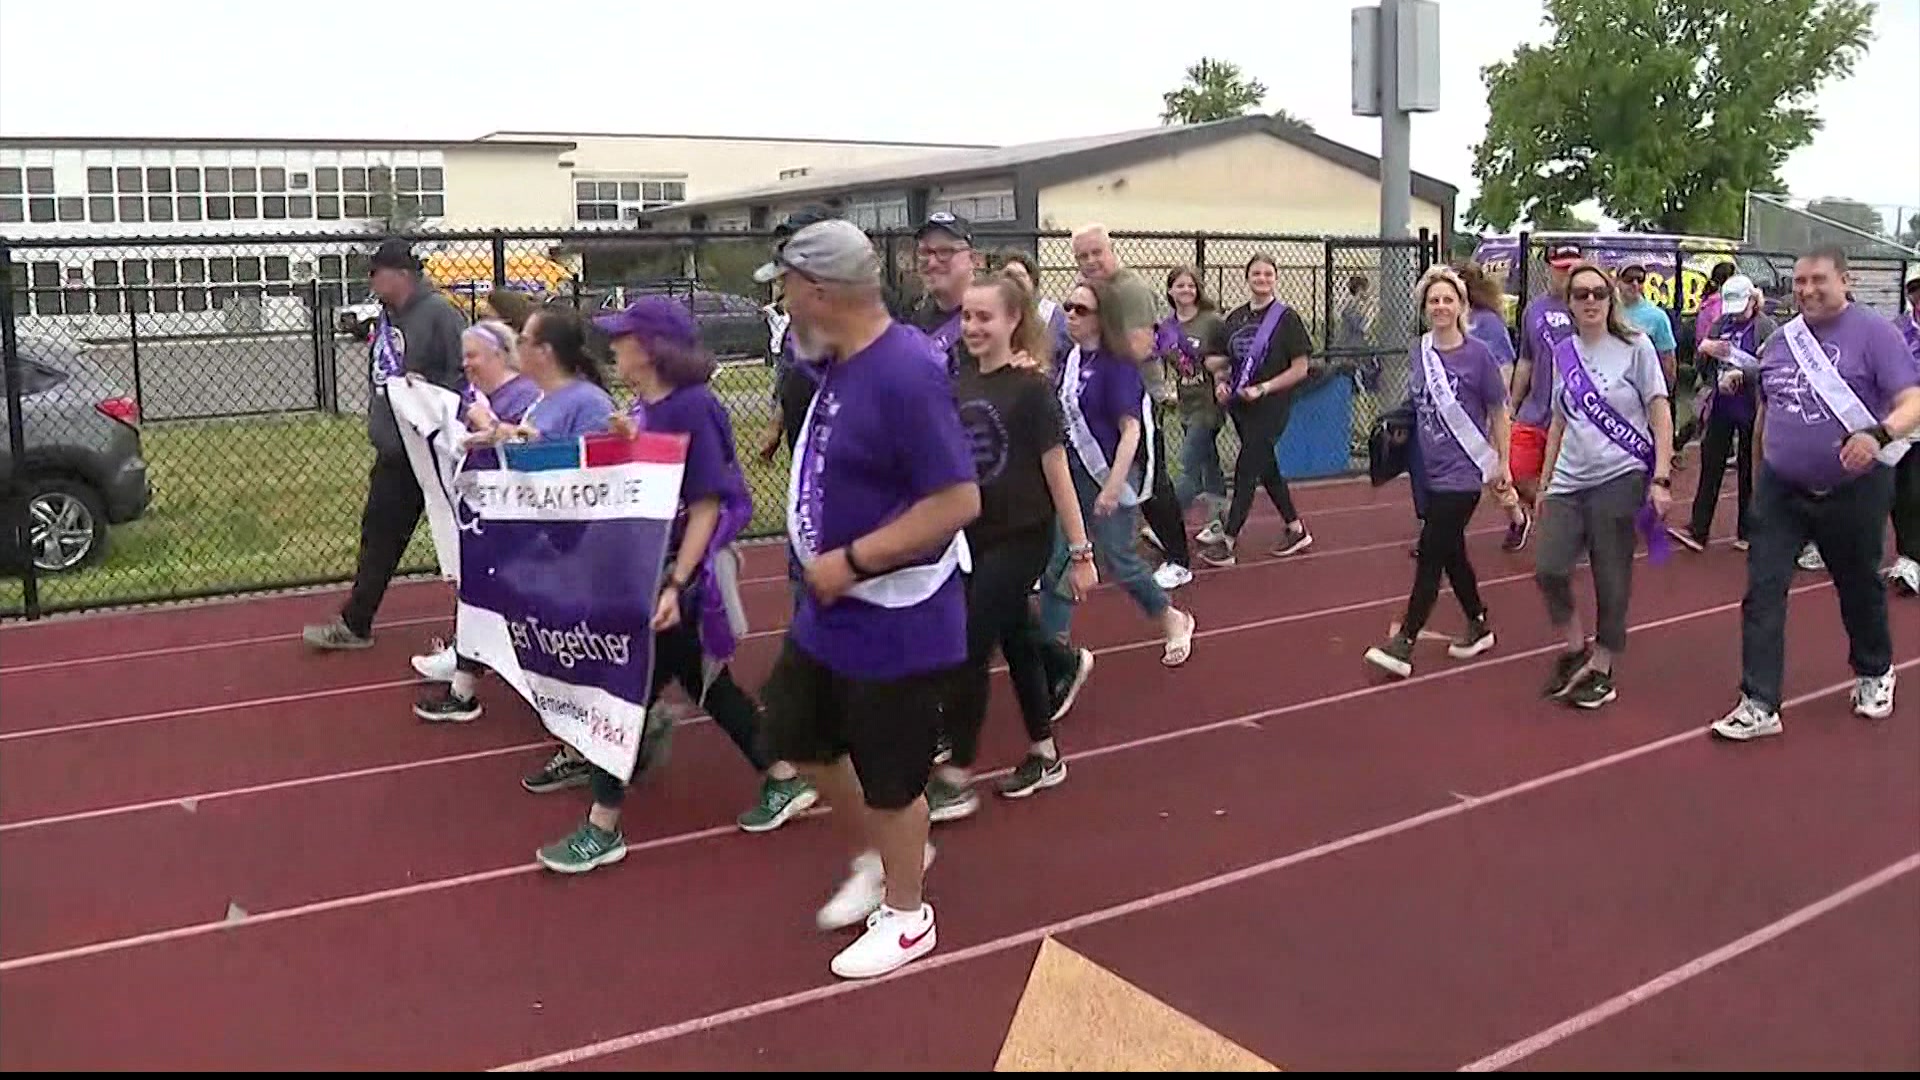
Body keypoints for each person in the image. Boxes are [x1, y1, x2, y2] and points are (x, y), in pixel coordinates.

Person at [751, 219, 981, 980]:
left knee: (892, 779)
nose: (781, 303)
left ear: (818, 291)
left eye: (785, 287)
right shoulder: (836, 359)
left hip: (898, 615)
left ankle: (910, 915)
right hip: (834, 610)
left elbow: (954, 501)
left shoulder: (903, 371)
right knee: (795, 731)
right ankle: (880, 860)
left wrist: (851, 560)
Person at [1712, 248, 1920, 740]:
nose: (1806, 290)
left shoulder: (1876, 334)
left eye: (1818, 280)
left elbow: (1912, 401)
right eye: (1799, 281)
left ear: (1845, 281)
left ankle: (1875, 670)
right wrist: (1762, 462)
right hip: (1782, 490)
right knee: (1762, 591)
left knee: (1858, 586)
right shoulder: (1783, 341)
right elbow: (1771, 408)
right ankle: (1759, 701)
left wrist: (1879, 436)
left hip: (1855, 489)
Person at [924, 273, 1097, 822]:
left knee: (971, 641)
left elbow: (1056, 470)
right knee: (1018, 640)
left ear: (1013, 321)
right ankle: (1045, 753)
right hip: (971, 536)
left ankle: (956, 774)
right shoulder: (959, 379)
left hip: (1022, 534)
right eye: (968, 318)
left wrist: (1080, 550)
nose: (973, 327)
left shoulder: (1031, 389)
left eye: (985, 318)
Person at [303, 238, 468, 651]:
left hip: (431, 449)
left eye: (376, 272)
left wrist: (433, 403)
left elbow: (464, 375)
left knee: (457, 538)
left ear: (401, 274)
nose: (371, 280)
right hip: (396, 451)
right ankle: (356, 621)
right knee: (379, 532)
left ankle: (476, 629)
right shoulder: (388, 315)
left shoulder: (439, 315)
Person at [1034, 280, 1197, 679]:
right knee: (1058, 559)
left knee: (1119, 560)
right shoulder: (1070, 361)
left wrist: (1112, 485)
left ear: (1101, 318)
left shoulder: (1118, 365)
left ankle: (1170, 616)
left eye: (1081, 310)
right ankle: (1056, 651)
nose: (1070, 315)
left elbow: (1131, 430)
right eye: (1069, 307)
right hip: (1073, 476)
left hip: (1108, 474)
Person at [1532, 262, 1675, 711]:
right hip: (1569, 476)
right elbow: (1559, 419)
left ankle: (1603, 666)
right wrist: (1545, 481)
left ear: (1610, 298)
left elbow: (1659, 412)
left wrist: (1662, 476)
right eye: (1581, 295)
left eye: (1598, 293)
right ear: (1569, 303)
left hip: (1621, 473)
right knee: (1550, 568)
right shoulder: (1563, 353)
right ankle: (1576, 647)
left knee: (1610, 574)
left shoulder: (1636, 346)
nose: (1590, 301)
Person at [1364, 266, 1509, 678]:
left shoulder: (1478, 354)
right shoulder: (1420, 350)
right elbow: (1417, 402)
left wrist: (1504, 463)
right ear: (1425, 308)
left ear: (1462, 306)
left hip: (1464, 473)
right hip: (1428, 469)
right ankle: (1478, 624)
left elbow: (1498, 410)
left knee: (1431, 551)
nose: (1441, 306)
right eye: (1433, 300)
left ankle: (1405, 641)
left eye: (1448, 299)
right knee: (1451, 552)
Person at [409, 320, 540, 718]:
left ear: (499, 355)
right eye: (463, 356)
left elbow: (529, 443)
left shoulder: (525, 395)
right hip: (482, 520)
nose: (465, 364)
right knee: (476, 598)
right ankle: (463, 689)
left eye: (473, 356)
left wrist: (493, 429)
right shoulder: (476, 395)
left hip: (521, 525)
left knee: (514, 607)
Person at [1195, 253, 1315, 567]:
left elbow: (1301, 367)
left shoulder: (1287, 318)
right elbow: (1220, 359)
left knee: (1247, 466)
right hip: (1241, 406)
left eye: (1267, 274)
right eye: (1256, 274)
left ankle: (1229, 541)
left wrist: (1265, 387)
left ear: (1276, 278)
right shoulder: (1234, 318)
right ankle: (1296, 528)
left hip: (1272, 405)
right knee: (1266, 466)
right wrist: (1221, 381)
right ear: (1247, 278)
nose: (1261, 279)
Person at [1669, 274, 1774, 553]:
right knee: (1711, 464)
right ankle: (1698, 528)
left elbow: (1772, 369)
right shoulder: (1721, 323)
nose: (1737, 314)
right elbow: (1703, 362)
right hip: (1721, 405)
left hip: (1751, 408)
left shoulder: (1766, 327)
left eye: (1742, 306)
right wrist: (1706, 350)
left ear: (1753, 300)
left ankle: (1748, 530)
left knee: (1748, 468)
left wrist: (1744, 372)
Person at [1505, 242, 1582, 554]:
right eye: (1562, 268)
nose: (1568, 273)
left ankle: (1568, 530)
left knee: (1569, 479)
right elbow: (1526, 359)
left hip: (1574, 415)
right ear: (1550, 268)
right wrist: (1513, 403)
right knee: (1515, 470)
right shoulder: (1534, 309)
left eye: (1573, 267)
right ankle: (1542, 516)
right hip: (1536, 410)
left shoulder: (1588, 307)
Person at [1164, 266, 1231, 546]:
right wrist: (1166, 391)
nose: (1186, 291)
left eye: (1191, 286)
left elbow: (1230, 354)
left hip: (1209, 405)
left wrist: (1220, 372)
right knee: (1210, 463)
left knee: (1188, 466)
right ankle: (1219, 520)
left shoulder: (1211, 323)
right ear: (1170, 291)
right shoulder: (1167, 327)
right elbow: (1165, 364)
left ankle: (1165, 524)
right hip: (1186, 404)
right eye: (1180, 286)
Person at [1881, 272, 1920, 595]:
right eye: (1915, 289)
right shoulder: (1895, 330)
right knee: (1901, 492)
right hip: (1903, 425)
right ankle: (1910, 559)